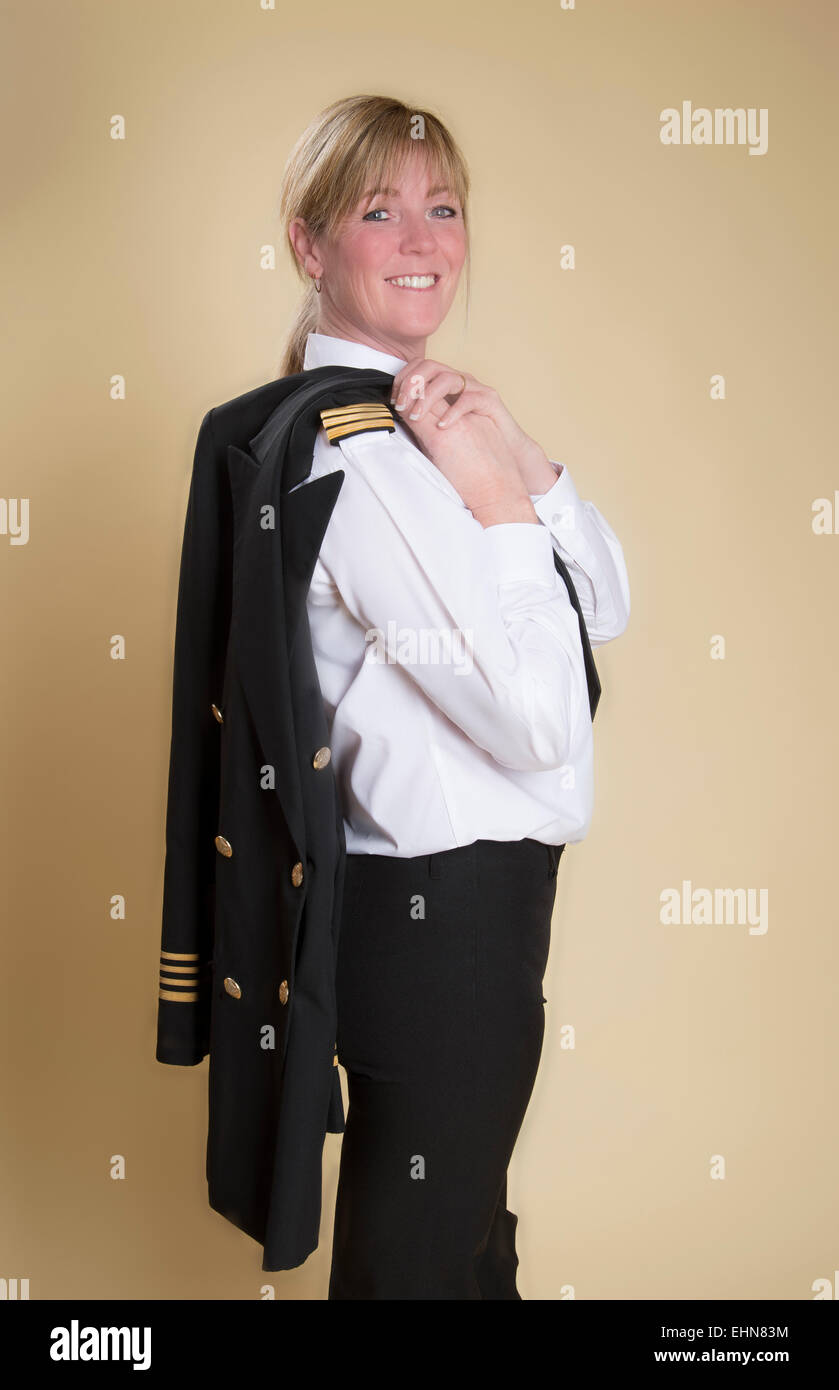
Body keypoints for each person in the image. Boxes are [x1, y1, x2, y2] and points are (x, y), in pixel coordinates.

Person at [277, 94, 630, 1299]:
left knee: (468, 1253)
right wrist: (490, 500)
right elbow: (537, 719)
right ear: (308, 243)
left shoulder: (415, 430)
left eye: (442, 207)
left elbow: (605, 609)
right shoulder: (360, 459)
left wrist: (514, 458)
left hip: (468, 920)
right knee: (418, 1270)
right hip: (434, 926)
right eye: (378, 211)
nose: (421, 238)